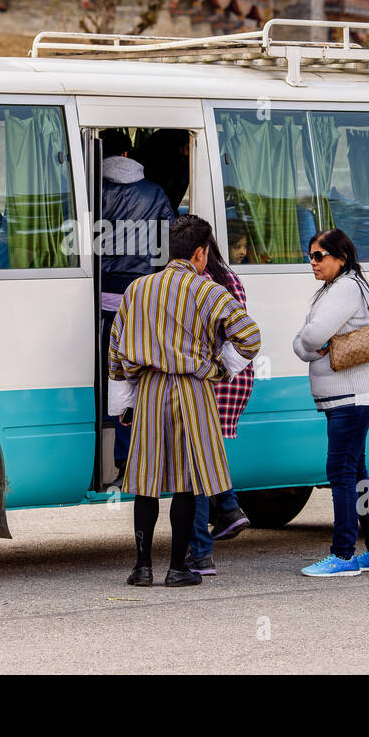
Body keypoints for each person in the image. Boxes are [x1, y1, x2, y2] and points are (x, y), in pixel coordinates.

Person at [108, 215, 261, 587]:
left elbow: (116, 350)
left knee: (145, 483)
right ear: (200, 253)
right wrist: (221, 369)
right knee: (186, 483)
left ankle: (142, 568)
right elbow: (250, 338)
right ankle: (178, 568)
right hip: (193, 392)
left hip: (148, 392)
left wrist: (123, 404)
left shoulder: (137, 290)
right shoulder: (209, 291)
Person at [292, 228, 369, 577]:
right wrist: (309, 345)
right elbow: (302, 343)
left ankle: (343, 554)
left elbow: (309, 336)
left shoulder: (347, 288)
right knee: (356, 474)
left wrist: (309, 345)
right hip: (344, 398)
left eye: (319, 256)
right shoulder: (332, 290)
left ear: (341, 258)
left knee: (339, 471)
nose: (313, 262)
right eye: (310, 256)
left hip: (352, 398)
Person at [99, 129, 177, 478]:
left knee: (107, 377)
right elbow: (166, 250)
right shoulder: (154, 192)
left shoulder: (91, 191)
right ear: (129, 154)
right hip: (141, 301)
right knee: (136, 380)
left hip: (102, 301)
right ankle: (135, 457)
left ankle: (105, 456)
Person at [184, 232, 253, 577]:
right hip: (236, 376)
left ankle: (200, 551)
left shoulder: (200, 282)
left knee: (195, 467)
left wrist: (215, 367)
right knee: (204, 454)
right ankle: (228, 508)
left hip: (213, 378)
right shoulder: (229, 276)